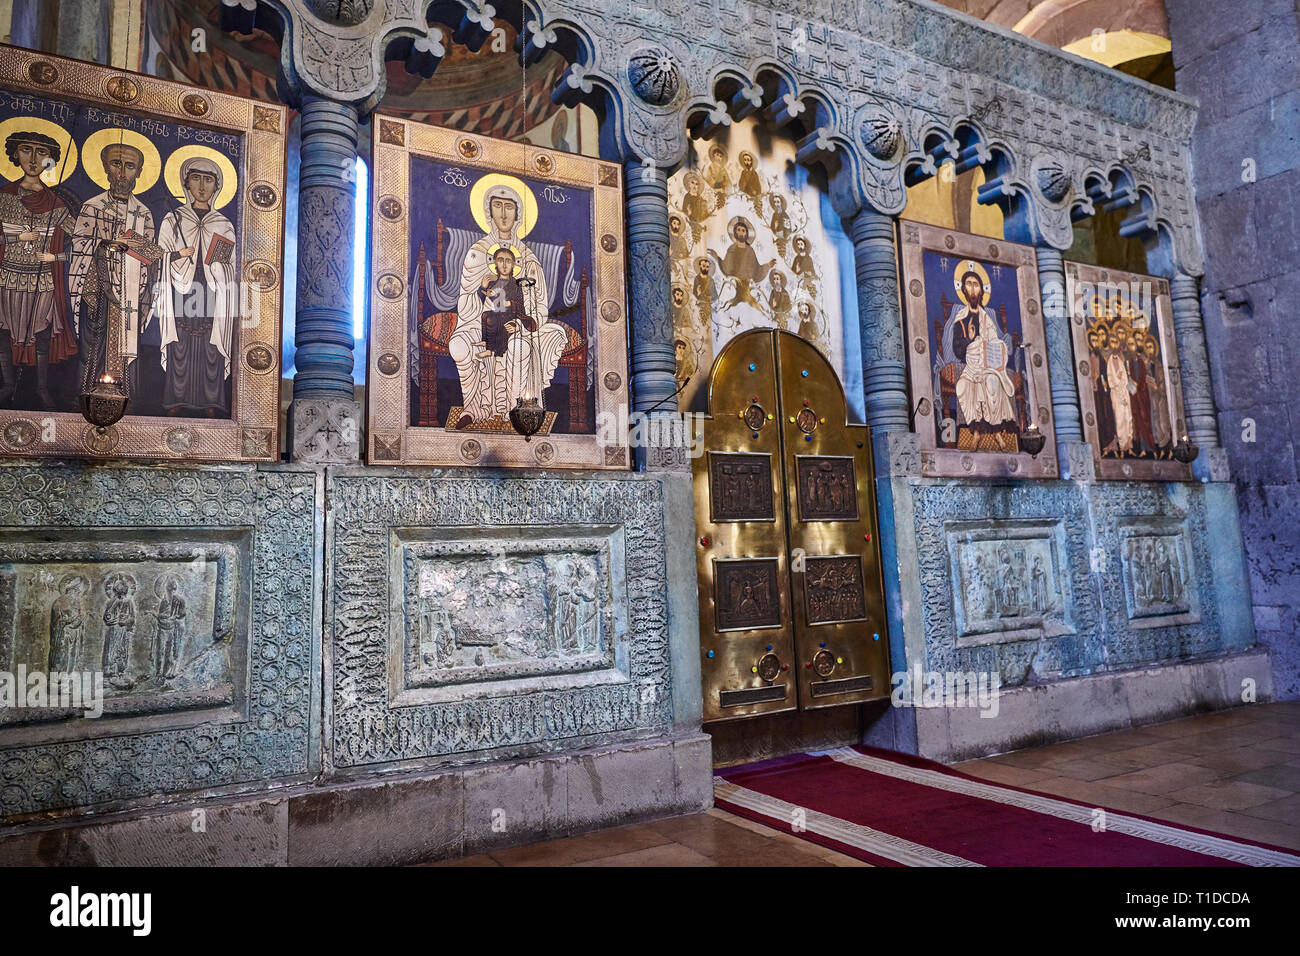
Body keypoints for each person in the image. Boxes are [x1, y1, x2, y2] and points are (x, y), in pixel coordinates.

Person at [450, 183, 566, 427]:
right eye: (497, 207)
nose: (503, 214)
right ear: (489, 212)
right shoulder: (477, 253)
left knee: (520, 347)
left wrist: (521, 324)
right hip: (480, 322)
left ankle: (515, 410)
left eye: (509, 208)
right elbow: (465, 304)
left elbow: (539, 306)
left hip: (516, 327)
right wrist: (481, 290)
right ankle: (474, 408)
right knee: (459, 344)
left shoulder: (529, 259)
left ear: (518, 214)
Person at [69, 141, 157, 400]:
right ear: (106, 168)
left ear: (139, 172)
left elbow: (150, 257)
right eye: (116, 164)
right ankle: (85, 396)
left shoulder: (144, 213)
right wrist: (107, 245)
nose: (122, 173)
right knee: (93, 344)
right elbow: (80, 244)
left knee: (126, 348)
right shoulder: (92, 206)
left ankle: (126, 399)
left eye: (130, 166)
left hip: (130, 292)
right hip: (97, 289)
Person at [153, 156, 238, 417]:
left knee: (210, 346)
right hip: (180, 289)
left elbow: (231, 266)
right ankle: (176, 400)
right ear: (186, 183)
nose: (202, 186)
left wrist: (218, 267)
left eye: (208, 180)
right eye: (196, 178)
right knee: (181, 343)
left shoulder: (223, 225)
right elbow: (158, 256)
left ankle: (211, 402)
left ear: (217, 186)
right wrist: (178, 255)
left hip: (212, 291)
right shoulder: (172, 219)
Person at [0, 130, 78, 408]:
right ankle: (8, 384)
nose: (33, 159)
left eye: (41, 152)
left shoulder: (56, 205)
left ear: (50, 160)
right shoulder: (4, 197)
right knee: (5, 332)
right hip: (8, 276)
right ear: (14, 154)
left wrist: (55, 257)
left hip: (42, 279)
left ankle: (43, 389)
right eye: (26, 150)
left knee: (42, 332)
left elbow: (81, 242)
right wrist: (13, 238)